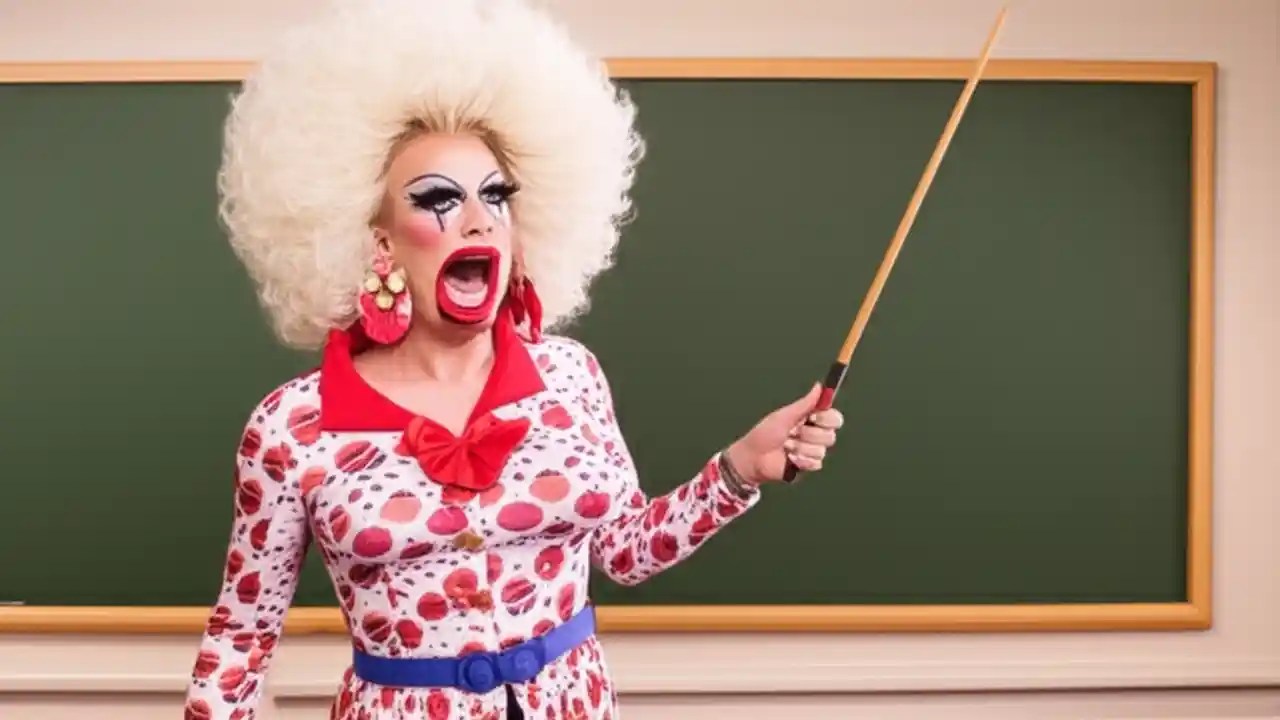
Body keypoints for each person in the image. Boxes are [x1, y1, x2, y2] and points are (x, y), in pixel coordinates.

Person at [183, 1, 845, 718]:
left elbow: (625, 552)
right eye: (438, 199)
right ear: (379, 240)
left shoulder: (569, 375)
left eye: (495, 195)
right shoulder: (292, 427)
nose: (478, 220)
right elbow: (242, 637)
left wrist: (741, 467)